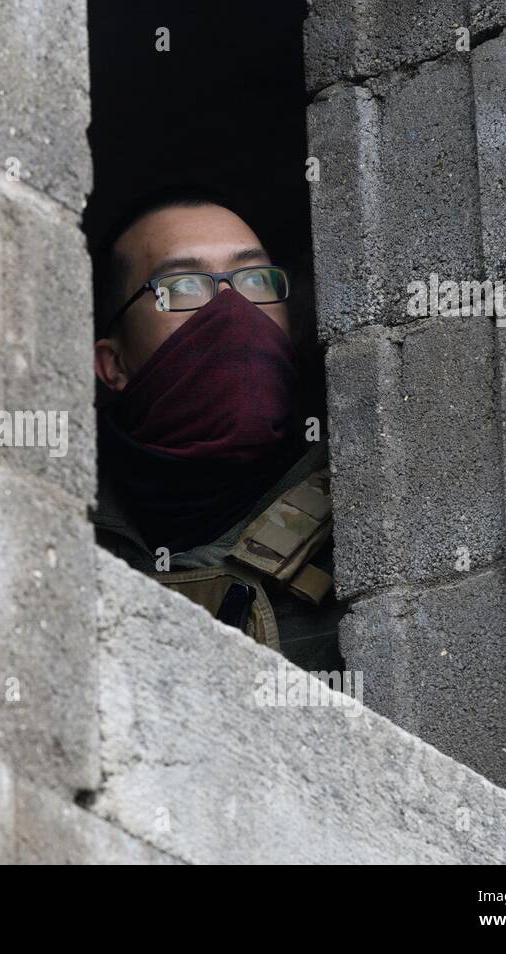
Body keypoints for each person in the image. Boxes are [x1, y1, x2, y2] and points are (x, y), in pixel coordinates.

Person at [91, 186, 345, 670]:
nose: (233, 308)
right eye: (183, 286)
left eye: (256, 280)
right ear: (113, 364)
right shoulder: (61, 530)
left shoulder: (360, 512)